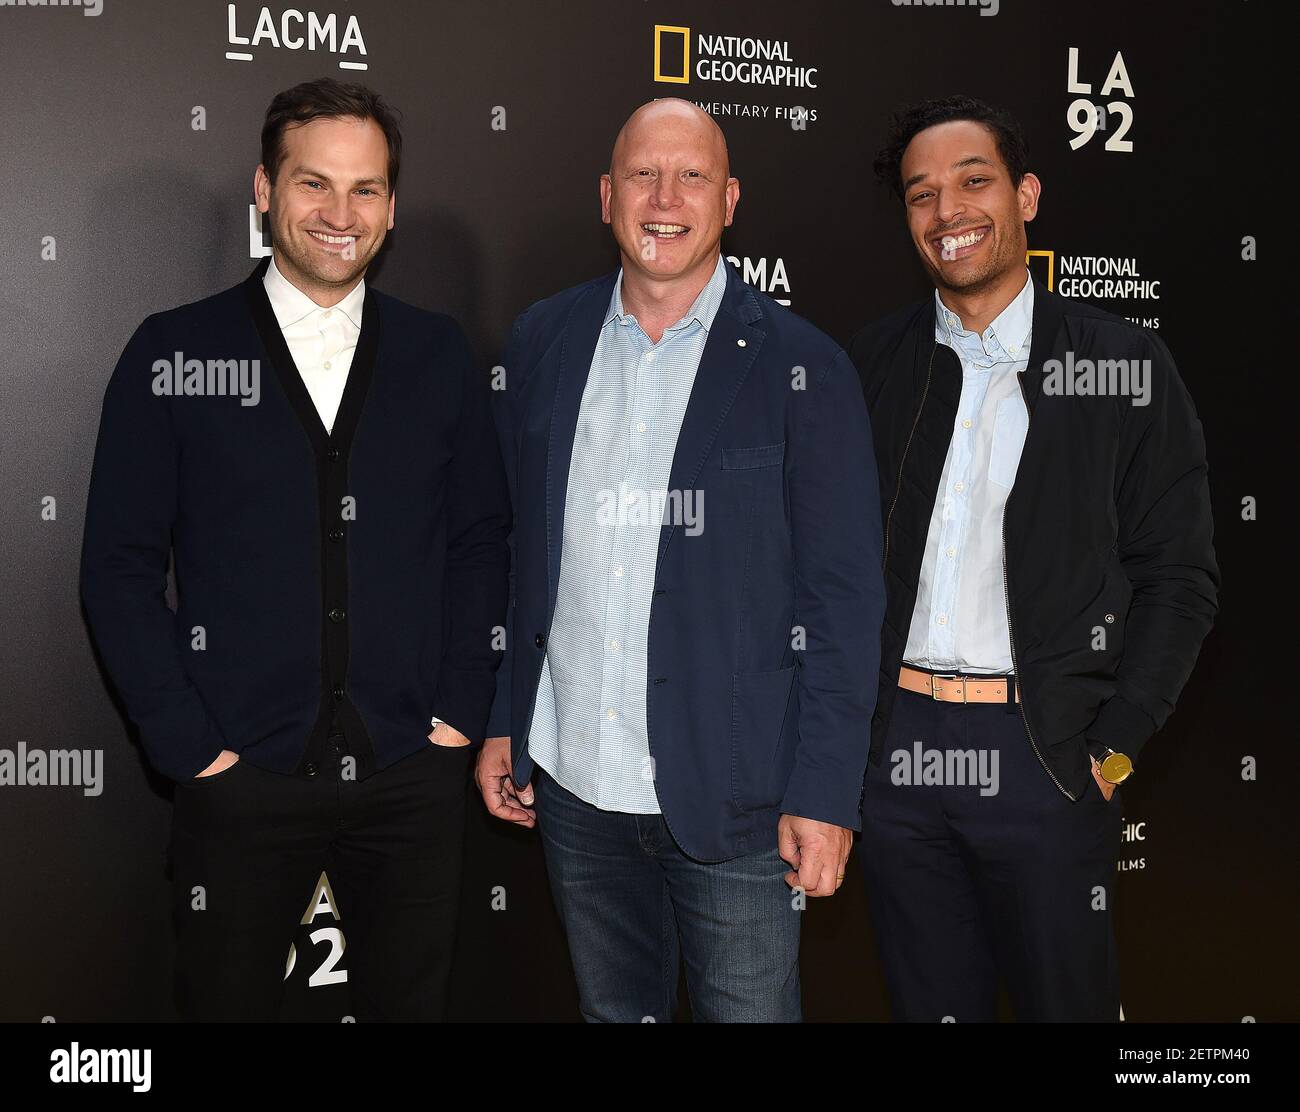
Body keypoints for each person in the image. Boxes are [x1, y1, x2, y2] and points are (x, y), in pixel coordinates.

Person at [81, 78, 510, 1020]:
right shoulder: (175, 352)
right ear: (264, 190)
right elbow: (116, 568)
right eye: (314, 184)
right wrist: (194, 751)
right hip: (240, 782)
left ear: (393, 208)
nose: (340, 213)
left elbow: (481, 542)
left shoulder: (440, 357)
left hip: (410, 776)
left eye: (366, 190)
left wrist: (455, 720)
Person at [476, 98, 884, 1022]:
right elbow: (519, 554)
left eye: (692, 175)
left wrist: (827, 792)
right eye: (642, 175)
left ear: (730, 199)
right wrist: (506, 715)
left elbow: (845, 600)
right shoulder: (544, 339)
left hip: (738, 803)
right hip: (575, 784)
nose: (666, 197)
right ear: (606, 197)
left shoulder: (803, 366)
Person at [847, 95, 1218, 1021]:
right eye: (921, 194)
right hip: (900, 756)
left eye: (974, 182)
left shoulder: (1120, 365)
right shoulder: (870, 365)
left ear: (1028, 195)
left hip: (1043, 753)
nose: (949, 212)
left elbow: (1179, 576)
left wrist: (1116, 746)